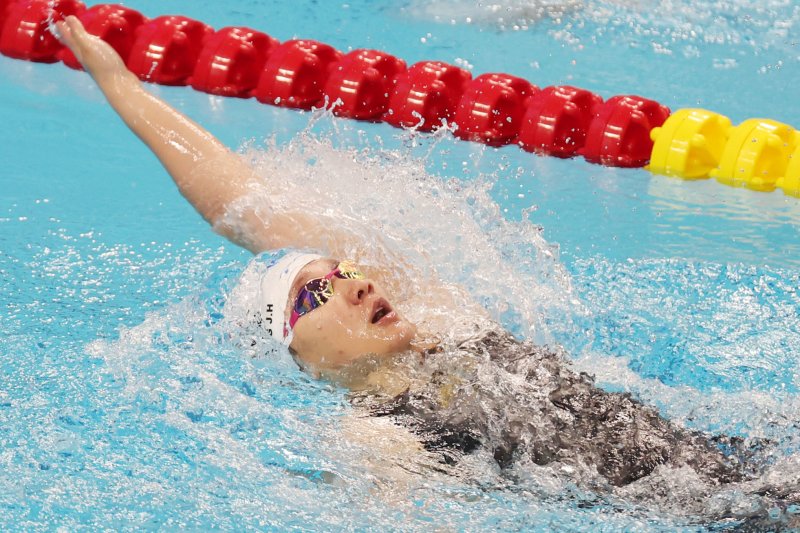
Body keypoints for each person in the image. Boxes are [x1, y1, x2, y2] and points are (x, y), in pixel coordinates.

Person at [54, 16, 798, 526]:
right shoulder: (379, 436)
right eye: (318, 292)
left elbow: (242, 205)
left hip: (735, 459)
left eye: (342, 269)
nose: (354, 282)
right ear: (298, 357)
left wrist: (123, 86)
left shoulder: (445, 317)